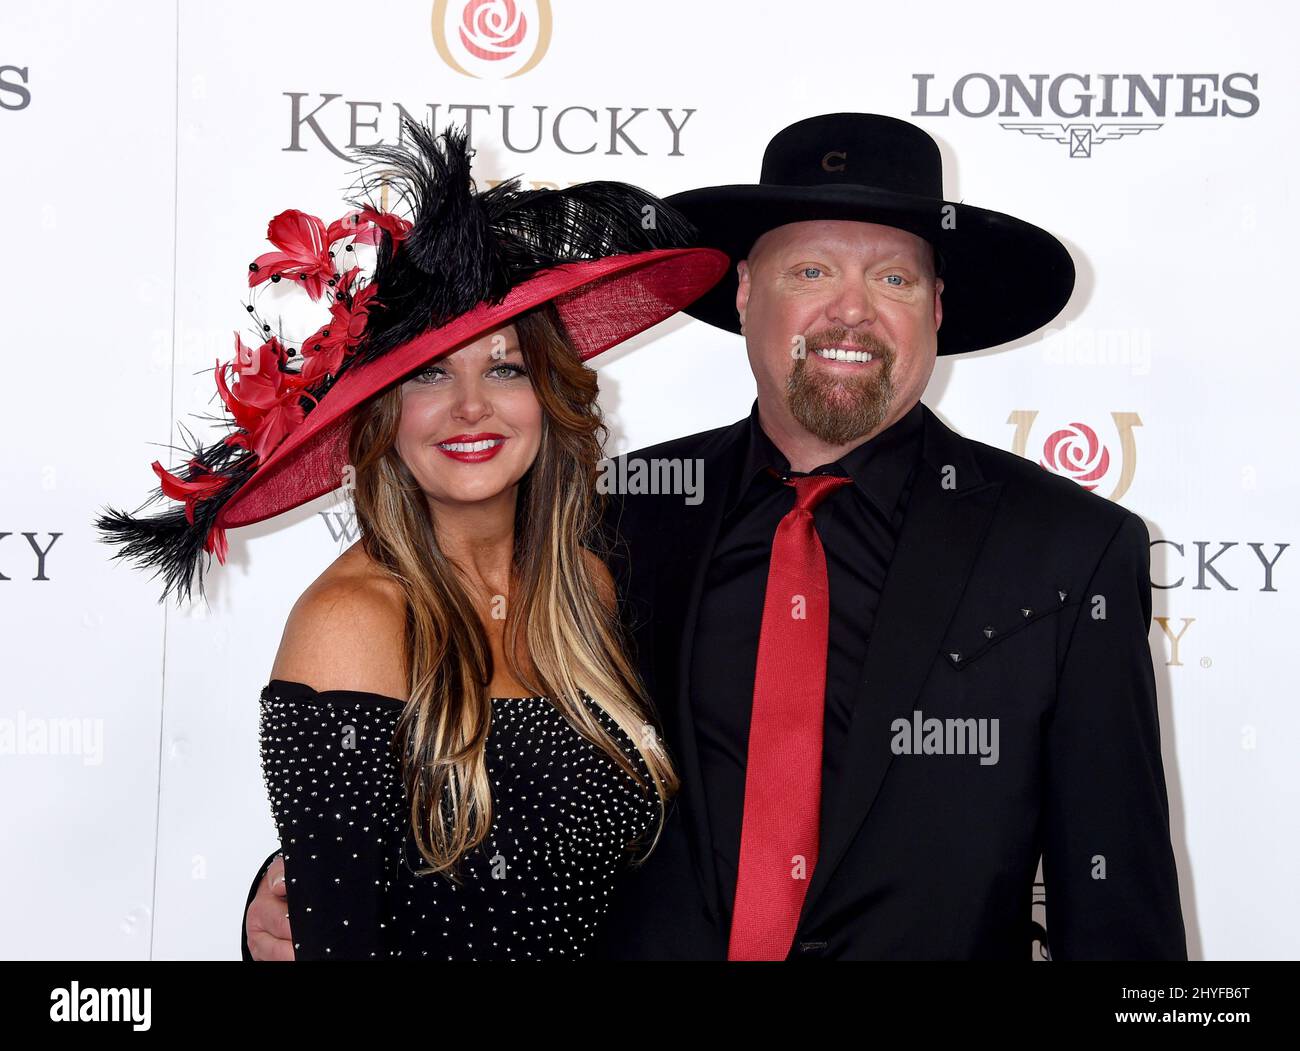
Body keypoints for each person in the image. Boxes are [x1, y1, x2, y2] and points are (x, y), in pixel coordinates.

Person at [243, 112, 1188, 961]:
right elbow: (495, 779)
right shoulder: (610, 527)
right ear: (744, 294)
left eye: (893, 275)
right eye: (811, 270)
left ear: (936, 310)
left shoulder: (1070, 551)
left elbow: (1119, 912)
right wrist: (294, 892)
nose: (850, 309)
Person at [96, 118, 727, 959]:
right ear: (383, 415)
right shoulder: (352, 623)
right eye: (430, 374)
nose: (472, 406)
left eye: (504, 367)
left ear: (550, 394)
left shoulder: (587, 587)